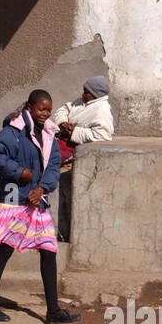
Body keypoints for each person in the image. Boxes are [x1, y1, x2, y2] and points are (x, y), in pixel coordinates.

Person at [0, 89, 79, 324]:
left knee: (49, 250)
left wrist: (42, 188)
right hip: (13, 198)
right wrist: (20, 172)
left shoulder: (50, 134)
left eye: (49, 109)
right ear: (29, 107)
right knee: (4, 251)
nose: (45, 113)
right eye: (41, 108)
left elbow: (53, 166)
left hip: (36, 201)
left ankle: (53, 310)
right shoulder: (13, 132)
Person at [50, 74, 115, 242]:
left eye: (87, 92)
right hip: (61, 137)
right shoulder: (81, 101)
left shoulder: (101, 110)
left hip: (71, 144)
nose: (83, 94)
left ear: (95, 94)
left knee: (49, 159)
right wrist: (63, 122)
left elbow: (103, 134)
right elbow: (63, 110)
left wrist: (75, 132)